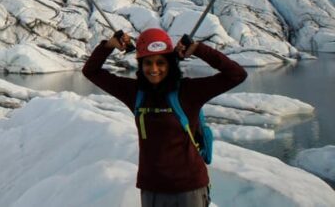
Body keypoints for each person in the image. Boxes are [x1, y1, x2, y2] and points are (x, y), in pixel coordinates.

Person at [82, 28, 247, 207]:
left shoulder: (189, 91)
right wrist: (108, 46)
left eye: (161, 62)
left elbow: (236, 75)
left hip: (189, 189)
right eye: (148, 63)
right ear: (140, 64)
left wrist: (199, 49)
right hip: (152, 189)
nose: (154, 69)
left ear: (170, 64)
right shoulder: (135, 92)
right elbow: (91, 71)